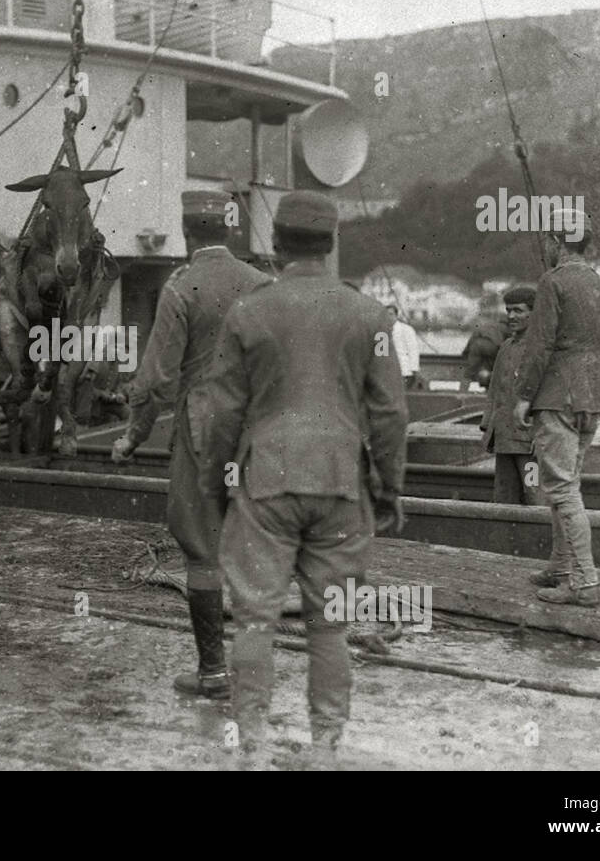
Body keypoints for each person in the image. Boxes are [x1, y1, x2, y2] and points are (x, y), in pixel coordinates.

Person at [192, 190, 408, 766]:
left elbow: (221, 415)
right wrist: (388, 488)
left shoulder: (248, 312)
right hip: (341, 483)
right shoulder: (369, 315)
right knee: (331, 627)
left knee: (255, 620)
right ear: (332, 242)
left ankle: (254, 749)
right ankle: (326, 749)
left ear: (277, 244)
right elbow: (390, 415)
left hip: (265, 482)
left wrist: (217, 488)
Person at [111, 190, 271, 700]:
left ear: (186, 233)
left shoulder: (182, 287)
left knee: (203, 553)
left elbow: (156, 378)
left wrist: (133, 436)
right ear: (228, 230)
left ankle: (214, 674)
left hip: (203, 431)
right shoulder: (261, 283)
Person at [515, 210, 600, 607]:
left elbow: (539, 345)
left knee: (562, 490)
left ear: (557, 241)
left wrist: (524, 396)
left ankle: (584, 582)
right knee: (567, 485)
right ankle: (560, 567)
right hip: (591, 395)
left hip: (557, 394)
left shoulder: (553, 282)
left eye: (547, 239)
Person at [479, 285, 539, 504]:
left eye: (519, 311)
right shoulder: (506, 347)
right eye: (509, 310)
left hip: (530, 442)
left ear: (535, 313)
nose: (511, 316)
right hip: (505, 439)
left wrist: (543, 435)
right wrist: (489, 427)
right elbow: (495, 390)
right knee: (504, 498)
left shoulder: (542, 349)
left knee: (535, 495)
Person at [462, 314, 507, 389]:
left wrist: (465, 353)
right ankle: (489, 389)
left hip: (478, 346)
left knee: (469, 372)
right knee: (492, 368)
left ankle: (462, 392)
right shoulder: (506, 328)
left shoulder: (484, 326)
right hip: (495, 348)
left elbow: (472, 340)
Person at [385, 303, 421, 390]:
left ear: (396, 316)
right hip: (387, 372)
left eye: (391, 314)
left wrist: (414, 369)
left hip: (404, 371)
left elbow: (413, 350)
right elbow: (380, 352)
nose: (388, 317)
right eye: (386, 315)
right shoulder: (381, 332)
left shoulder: (406, 329)